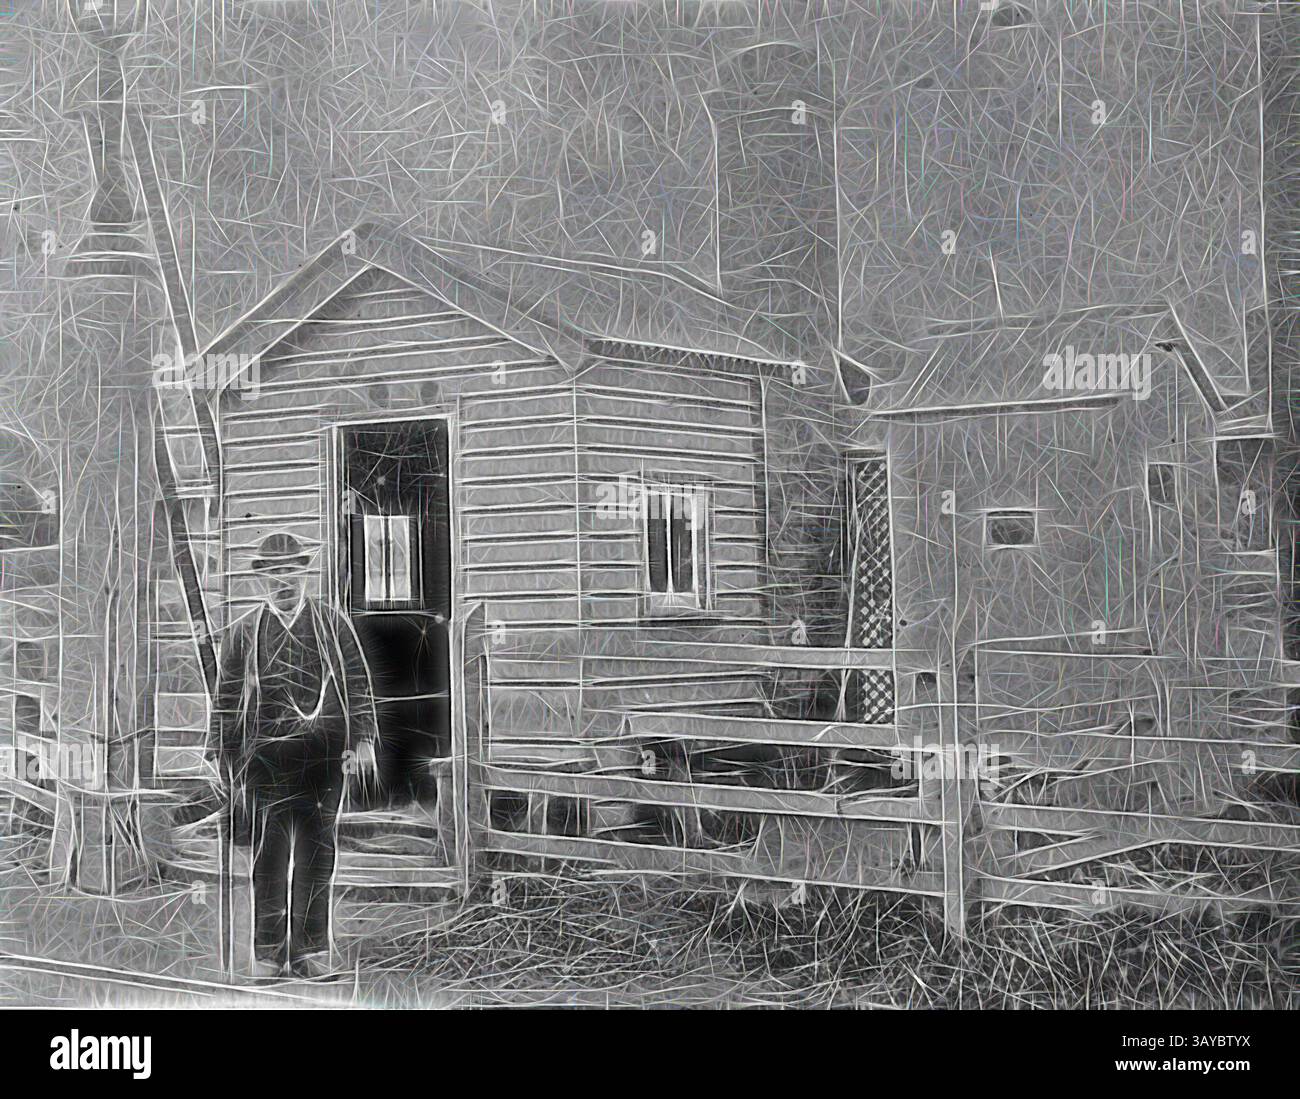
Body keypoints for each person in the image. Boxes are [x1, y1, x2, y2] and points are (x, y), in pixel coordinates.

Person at [212, 532, 379, 979]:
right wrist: (221, 755)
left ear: (304, 573)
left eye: (290, 570)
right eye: (273, 572)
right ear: (262, 579)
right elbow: (227, 698)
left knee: (316, 853)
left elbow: (358, 685)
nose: (283, 581)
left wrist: (361, 743)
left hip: (323, 761)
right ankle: (268, 953)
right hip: (265, 761)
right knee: (268, 857)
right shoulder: (245, 631)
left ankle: (310, 951)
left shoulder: (331, 624)